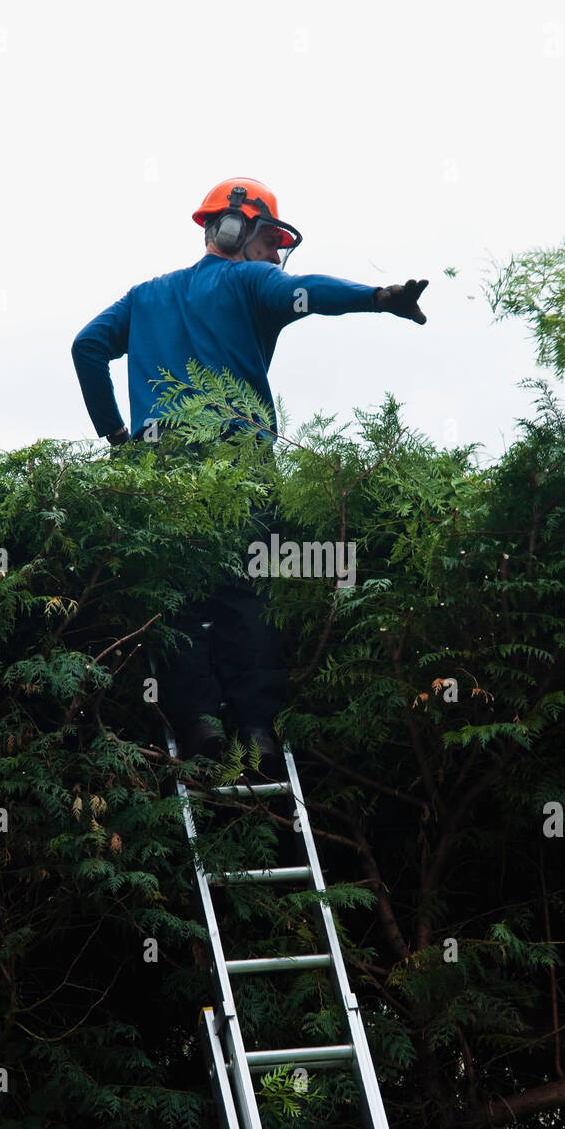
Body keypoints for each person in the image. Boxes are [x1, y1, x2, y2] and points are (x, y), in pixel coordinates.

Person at [71, 177, 428, 769]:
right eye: (270, 241)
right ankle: (259, 727)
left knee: (179, 597)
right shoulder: (252, 280)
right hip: (240, 466)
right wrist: (379, 296)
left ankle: (199, 724)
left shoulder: (145, 296)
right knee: (249, 592)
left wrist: (117, 439)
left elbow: (86, 347)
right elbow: (308, 291)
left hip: (162, 470)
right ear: (235, 231)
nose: (276, 257)